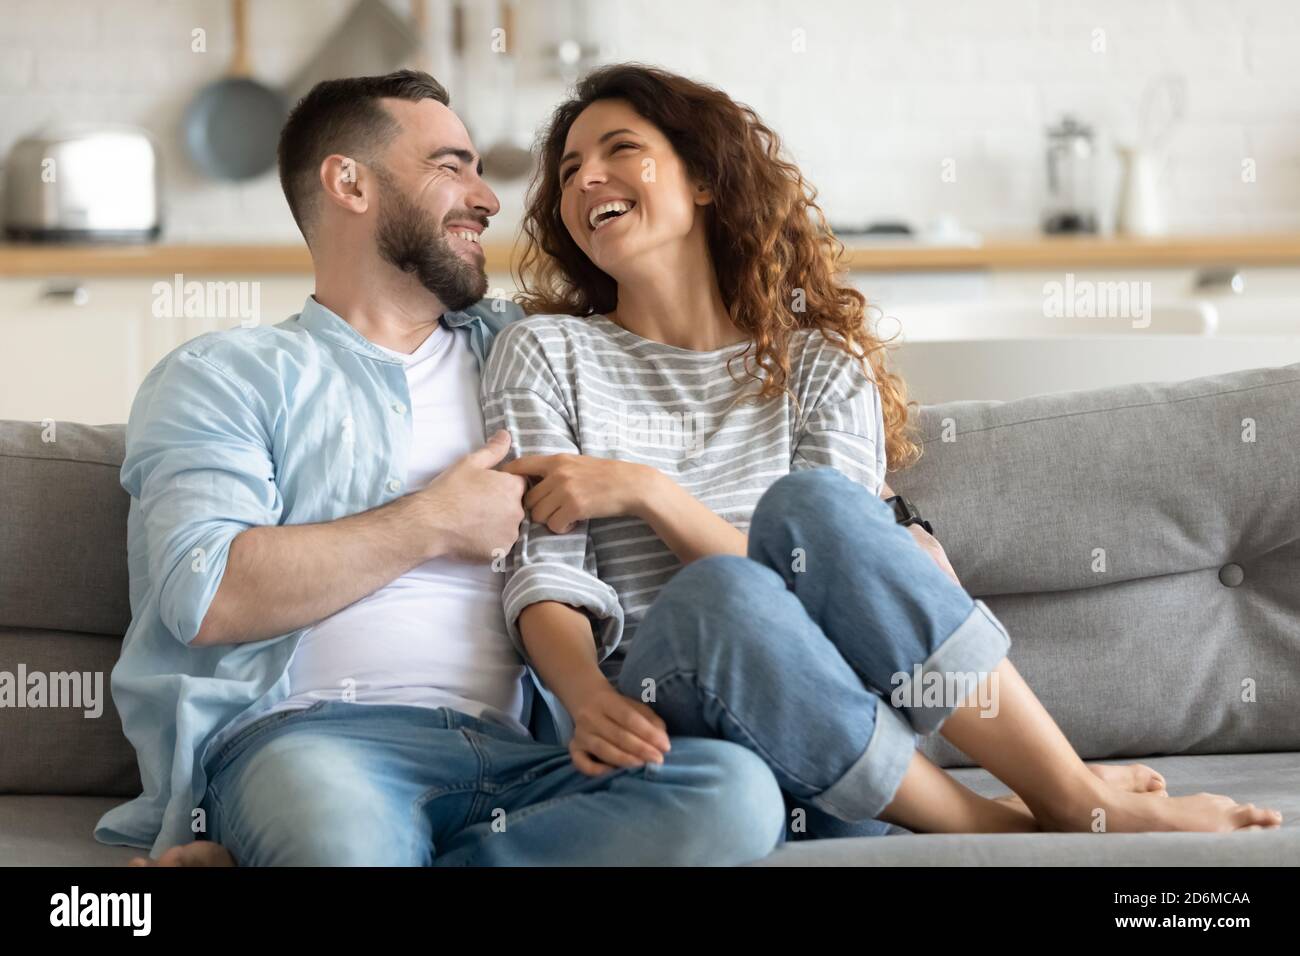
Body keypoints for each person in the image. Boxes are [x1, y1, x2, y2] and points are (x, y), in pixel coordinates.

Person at [481, 63, 1283, 837]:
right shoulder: (545, 353)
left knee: (817, 509)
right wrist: (585, 698)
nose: (585, 179)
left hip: (841, 721)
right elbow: (545, 569)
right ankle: (992, 820)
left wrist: (653, 493)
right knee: (717, 596)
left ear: (703, 178)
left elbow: (830, 583)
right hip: (675, 718)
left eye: (620, 149)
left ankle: (1065, 791)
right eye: (570, 169)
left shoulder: (823, 365)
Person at [99, 70, 786, 867]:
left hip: (525, 759)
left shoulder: (536, 353)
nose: (488, 199)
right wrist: (431, 523)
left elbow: (718, 418)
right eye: (451, 165)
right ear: (349, 182)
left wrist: (896, 523)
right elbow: (206, 592)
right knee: (344, 843)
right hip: (316, 746)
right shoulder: (228, 374)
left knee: (732, 794)